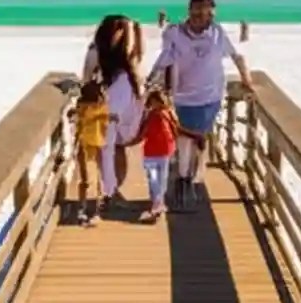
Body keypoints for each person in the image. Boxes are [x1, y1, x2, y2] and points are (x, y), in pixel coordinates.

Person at [147, 0, 255, 192]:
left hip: (210, 98)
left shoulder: (218, 33)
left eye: (206, 10)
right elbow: (164, 59)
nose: (200, 14)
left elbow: (236, 56)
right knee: (184, 140)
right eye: (196, 9)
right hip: (181, 98)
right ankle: (183, 181)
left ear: (212, 12)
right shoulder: (175, 32)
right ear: (189, 10)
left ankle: (193, 176)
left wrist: (246, 80)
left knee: (199, 139)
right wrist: (150, 81)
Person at [80, 14, 145, 211]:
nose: (121, 35)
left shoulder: (124, 55)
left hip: (126, 111)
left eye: (123, 31)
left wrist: (137, 30)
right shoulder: (96, 52)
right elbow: (86, 78)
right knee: (107, 151)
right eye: (119, 30)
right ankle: (110, 193)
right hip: (106, 110)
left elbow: (138, 56)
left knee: (115, 151)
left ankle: (112, 192)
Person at [120, 88, 205, 222]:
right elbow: (175, 129)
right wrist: (195, 135)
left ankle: (157, 205)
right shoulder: (160, 114)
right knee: (158, 180)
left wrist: (127, 144)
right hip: (159, 151)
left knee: (157, 180)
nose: (156, 103)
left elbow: (144, 134)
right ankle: (157, 205)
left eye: (156, 101)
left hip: (158, 151)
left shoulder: (159, 114)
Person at [67, 81, 115, 225]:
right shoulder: (97, 107)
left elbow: (75, 117)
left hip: (93, 143)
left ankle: (89, 209)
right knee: (89, 178)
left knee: (90, 178)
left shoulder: (96, 108)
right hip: (90, 143)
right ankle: (88, 210)